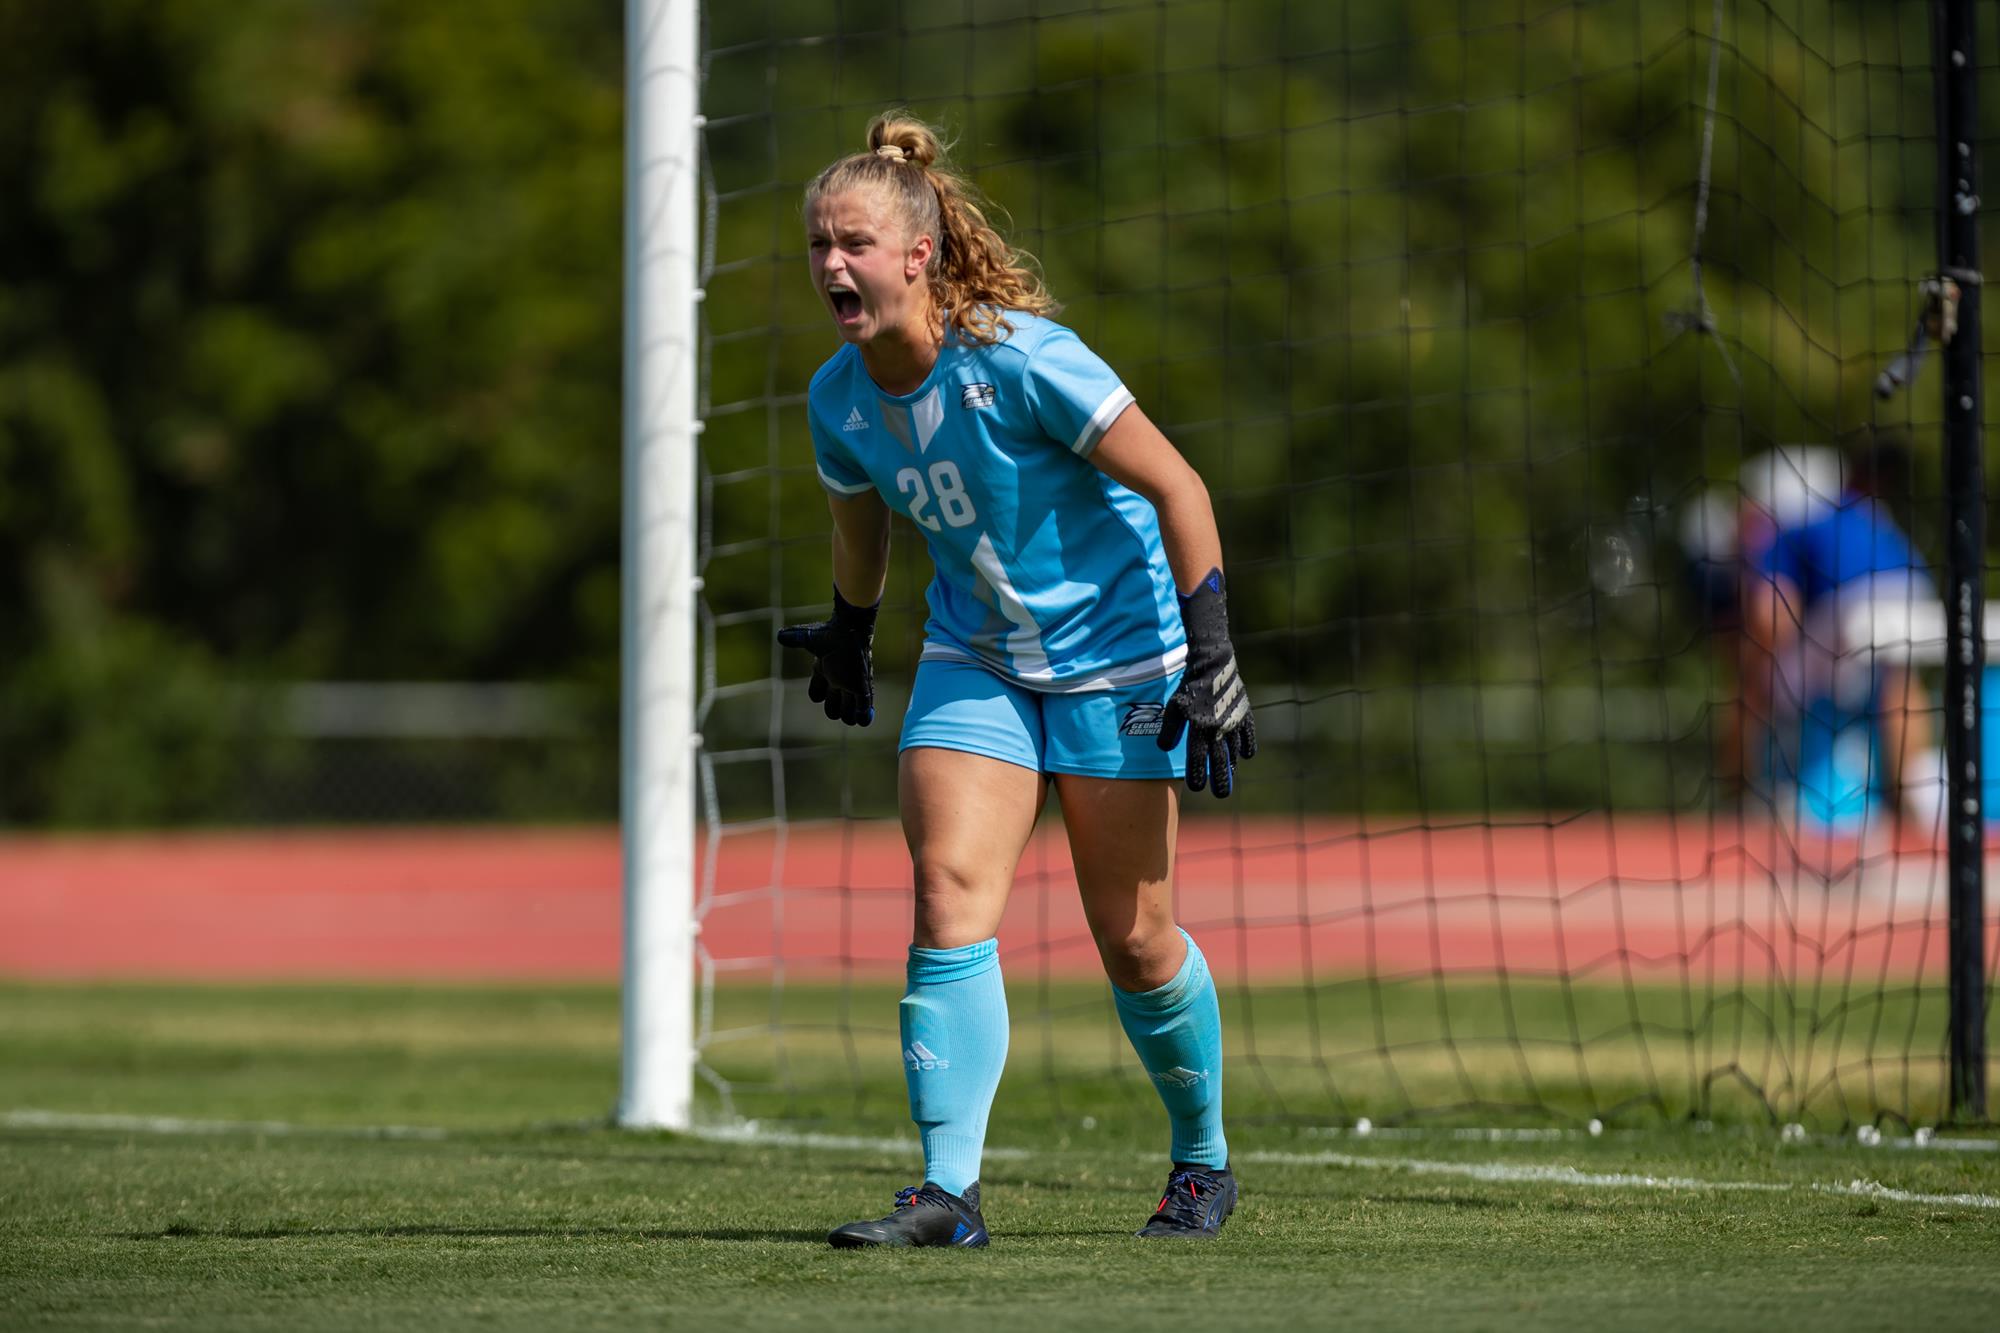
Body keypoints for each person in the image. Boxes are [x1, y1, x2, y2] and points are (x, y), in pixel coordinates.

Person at [778, 112, 1256, 1247]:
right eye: (815, 245)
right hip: (976, 654)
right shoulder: (834, 399)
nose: (831, 264)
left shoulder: (1024, 359)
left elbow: (1180, 488)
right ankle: (947, 1193)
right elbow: (862, 529)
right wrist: (853, 628)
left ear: (917, 253)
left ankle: (1202, 1162)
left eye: (852, 241)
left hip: (1121, 655)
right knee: (946, 886)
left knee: (1133, 936)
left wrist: (1213, 653)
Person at [1739, 442, 1939, 836]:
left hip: (1844, 611)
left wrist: (1762, 668)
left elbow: (1772, 612)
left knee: (1768, 686)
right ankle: (1913, 798)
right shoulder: (1873, 518)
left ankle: (1762, 790)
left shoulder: (1794, 530)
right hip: (1913, 594)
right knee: (1898, 688)